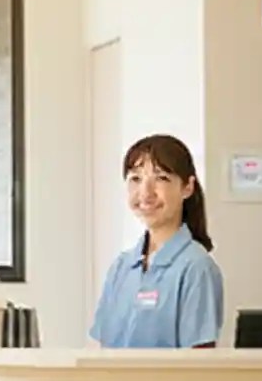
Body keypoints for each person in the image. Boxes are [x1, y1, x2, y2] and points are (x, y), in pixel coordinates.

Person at [90, 134, 224, 348]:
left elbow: (199, 361)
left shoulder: (196, 267)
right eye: (136, 179)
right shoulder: (122, 267)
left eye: (161, 178)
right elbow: (102, 348)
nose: (145, 192)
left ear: (187, 187)